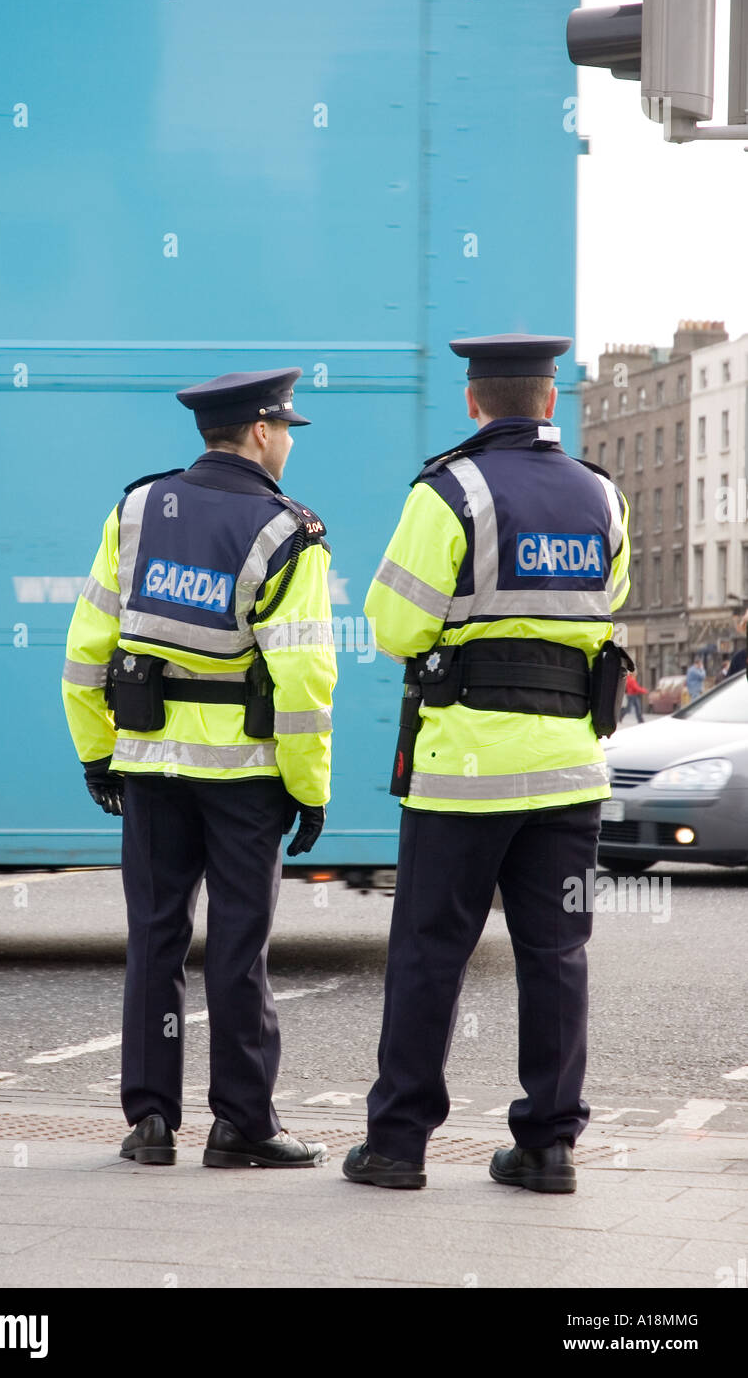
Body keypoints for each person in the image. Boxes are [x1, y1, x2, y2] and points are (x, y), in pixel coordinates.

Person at [343, 334, 631, 1193]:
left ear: (474, 403)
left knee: (431, 950)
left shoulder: (448, 491)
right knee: (555, 955)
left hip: (464, 766)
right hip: (571, 768)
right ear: (550, 402)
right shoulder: (602, 495)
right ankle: (547, 1147)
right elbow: (605, 610)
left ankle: (397, 1146)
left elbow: (394, 624)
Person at [62, 368, 337, 1170]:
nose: (287, 442)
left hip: (148, 766)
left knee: (154, 938)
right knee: (237, 947)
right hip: (246, 780)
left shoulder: (139, 509)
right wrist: (309, 788)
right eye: (286, 428)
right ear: (259, 431)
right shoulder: (289, 533)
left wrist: (96, 752)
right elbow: (304, 680)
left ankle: (149, 1124)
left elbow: (87, 649)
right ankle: (242, 1125)